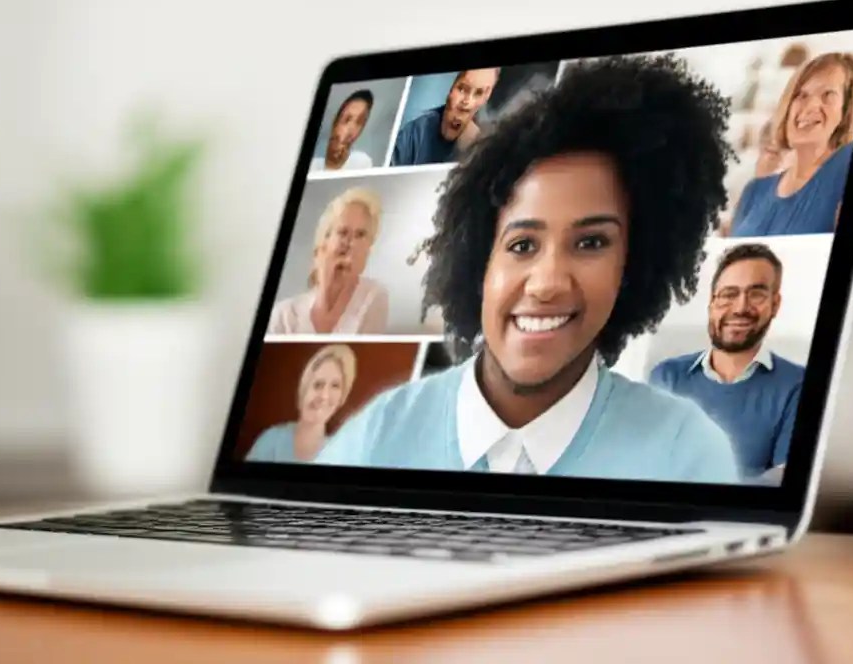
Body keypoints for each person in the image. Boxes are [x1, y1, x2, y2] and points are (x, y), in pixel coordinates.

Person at [316, 54, 740, 484]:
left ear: (631, 265)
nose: (547, 283)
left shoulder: (686, 454)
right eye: (522, 244)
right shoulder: (376, 440)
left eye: (591, 243)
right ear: (480, 261)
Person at [649, 244, 804, 481]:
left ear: (775, 305)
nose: (741, 308)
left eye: (757, 294)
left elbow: (781, 482)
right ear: (711, 304)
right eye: (729, 294)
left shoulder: (798, 385)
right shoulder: (667, 377)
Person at [730, 53, 853, 237]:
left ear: (844, 112)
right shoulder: (754, 191)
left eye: (828, 95)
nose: (812, 105)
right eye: (801, 95)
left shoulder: (847, 165)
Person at [268, 187, 390, 334]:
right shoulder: (283, 315)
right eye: (343, 232)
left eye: (361, 234)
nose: (351, 243)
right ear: (323, 243)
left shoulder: (373, 296)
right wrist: (326, 283)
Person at [247, 344, 358, 463]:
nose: (324, 396)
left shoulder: (341, 455)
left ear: (342, 398)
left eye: (335, 386)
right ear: (304, 389)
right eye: (318, 385)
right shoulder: (272, 440)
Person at [390, 68, 499, 166]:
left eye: (478, 94)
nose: (467, 103)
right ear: (451, 89)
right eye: (462, 89)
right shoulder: (415, 133)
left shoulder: (483, 149)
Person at [310, 90, 375, 172]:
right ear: (335, 123)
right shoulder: (312, 165)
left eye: (359, 122)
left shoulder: (362, 162)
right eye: (347, 119)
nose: (351, 128)